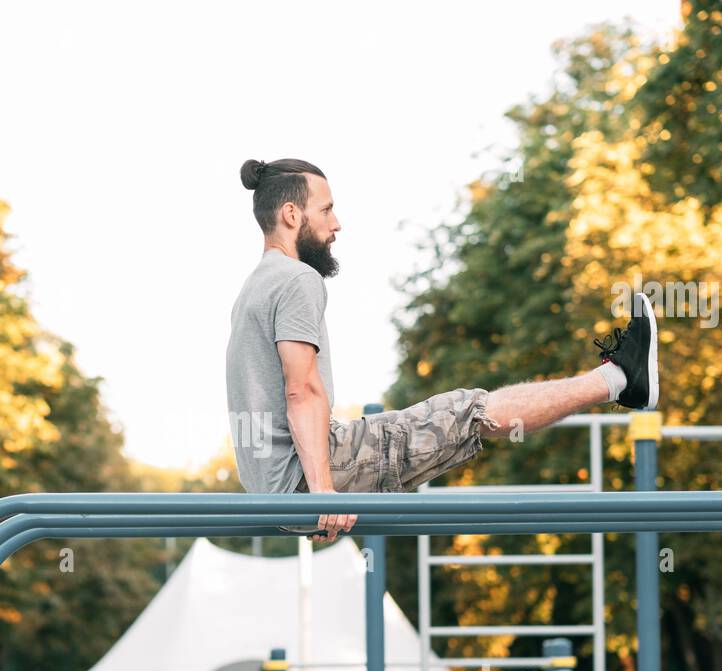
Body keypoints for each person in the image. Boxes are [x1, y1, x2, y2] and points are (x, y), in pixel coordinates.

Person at [225, 157, 658, 542]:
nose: (337, 224)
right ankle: (620, 379)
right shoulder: (297, 279)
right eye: (326, 209)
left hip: (277, 484)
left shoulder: (253, 287)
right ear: (290, 214)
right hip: (304, 479)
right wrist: (320, 493)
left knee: (450, 413)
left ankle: (616, 380)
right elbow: (301, 388)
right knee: (469, 412)